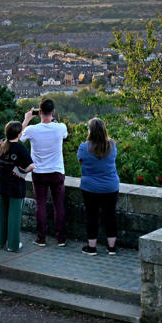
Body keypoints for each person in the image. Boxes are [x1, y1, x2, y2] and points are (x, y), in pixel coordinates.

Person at [21, 97, 68, 247]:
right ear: (53, 112)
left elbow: (16, 139)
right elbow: (64, 136)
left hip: (39, 172)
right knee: (59, 205)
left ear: (39, 112)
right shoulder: (61, 127)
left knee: (40, 205)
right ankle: (61, 238)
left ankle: (41, 238)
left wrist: (26, 120)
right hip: (57, 171)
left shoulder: (32, 130)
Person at [0, 121, 35, 252]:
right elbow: (32, 166)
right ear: (19, 133)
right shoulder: (20, 149)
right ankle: (13, 245)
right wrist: (23, 171)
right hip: (16, 186)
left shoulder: (0, 144)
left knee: (3, 213)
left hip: (2, 184)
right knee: (14, 217)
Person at [77, 118, 120, 256]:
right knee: (110, 216)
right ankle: (112, 248)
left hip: (90, 187)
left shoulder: (84, 147)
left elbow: (81, 161)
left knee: (91, 216)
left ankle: (92, 247)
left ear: (90, 131)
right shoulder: (112, 145)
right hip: (110, 187)